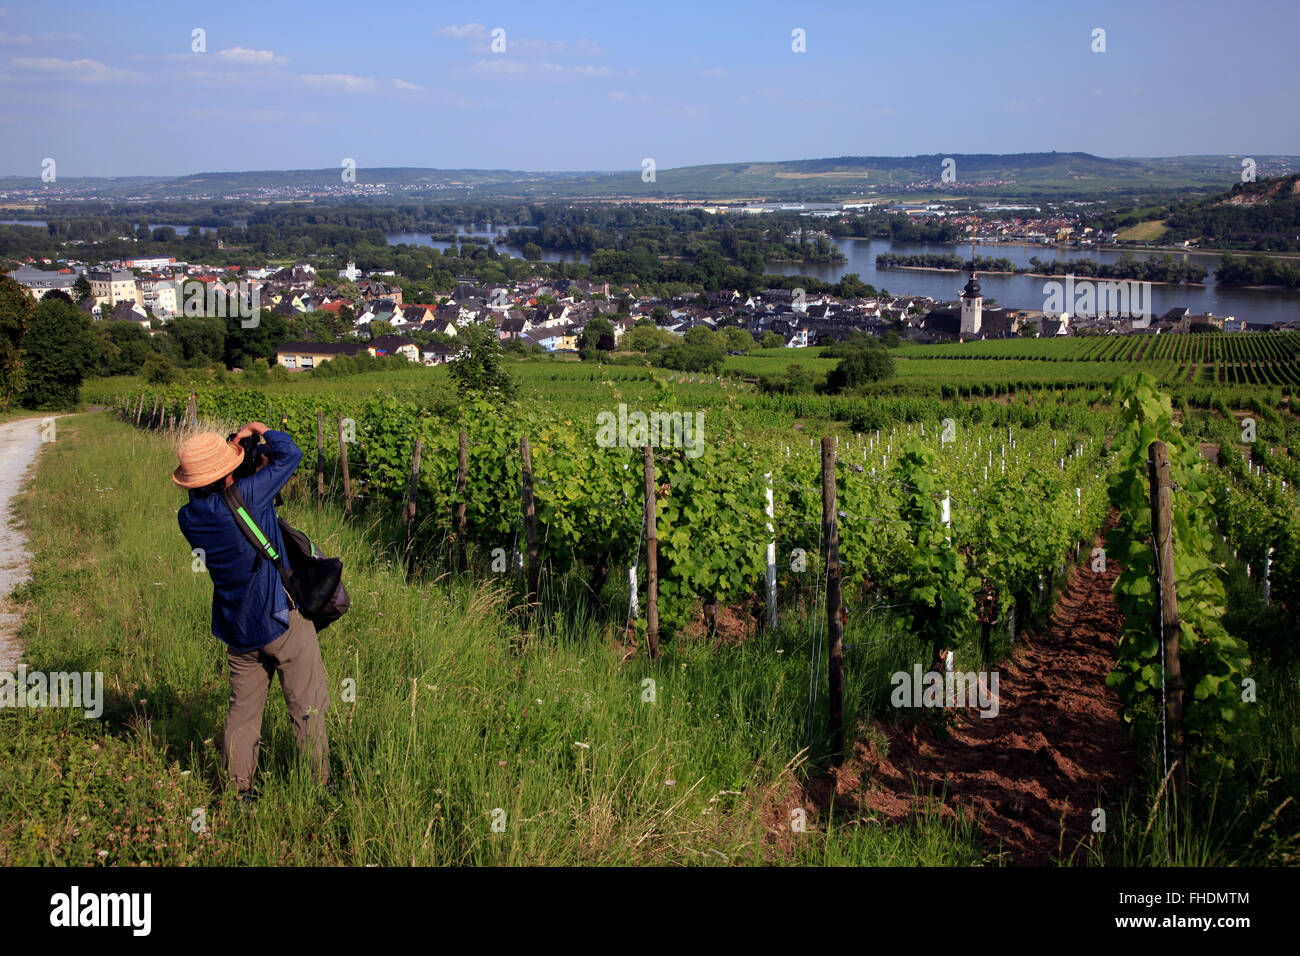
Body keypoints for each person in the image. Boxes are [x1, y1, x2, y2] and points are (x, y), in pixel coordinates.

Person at [173, 422, 329, 801]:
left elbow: (225, 498)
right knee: (307, 705)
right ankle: (319, 786)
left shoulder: (188, 517)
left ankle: (239, 790)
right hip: (280, 618)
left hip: (238, 627)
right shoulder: (249, 496)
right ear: (227, 471)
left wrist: (236, 463)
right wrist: (263, 430)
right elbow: (290, 455)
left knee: (242, 712)